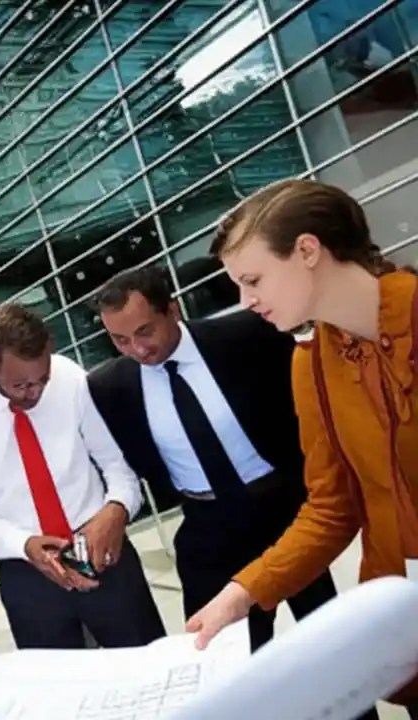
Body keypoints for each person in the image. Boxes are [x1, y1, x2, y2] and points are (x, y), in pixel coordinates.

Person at [187, 178, 418, 713]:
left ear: (308, 250)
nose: (246, 301)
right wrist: (242, 593)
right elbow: (331, 508)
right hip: (404, 623)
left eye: (253, 280)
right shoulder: (309, 364)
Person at [87, 265, 339, 652]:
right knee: (222, 662)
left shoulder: (248, 335)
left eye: (145, 331)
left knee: (335, 643)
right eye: (119, 340)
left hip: (286, 513)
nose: (137, 349)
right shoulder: (108, 388)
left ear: (172, 311)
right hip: (208, 530)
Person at [0, 303, 166, 650]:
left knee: (152, 661)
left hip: (103, 549)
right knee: (64, 692)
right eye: (21, 385)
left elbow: (115, 464)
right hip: (26, 575)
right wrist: (24, 545)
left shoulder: (68, 376)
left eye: (42, 379)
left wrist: (117, 508)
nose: (35, 392)